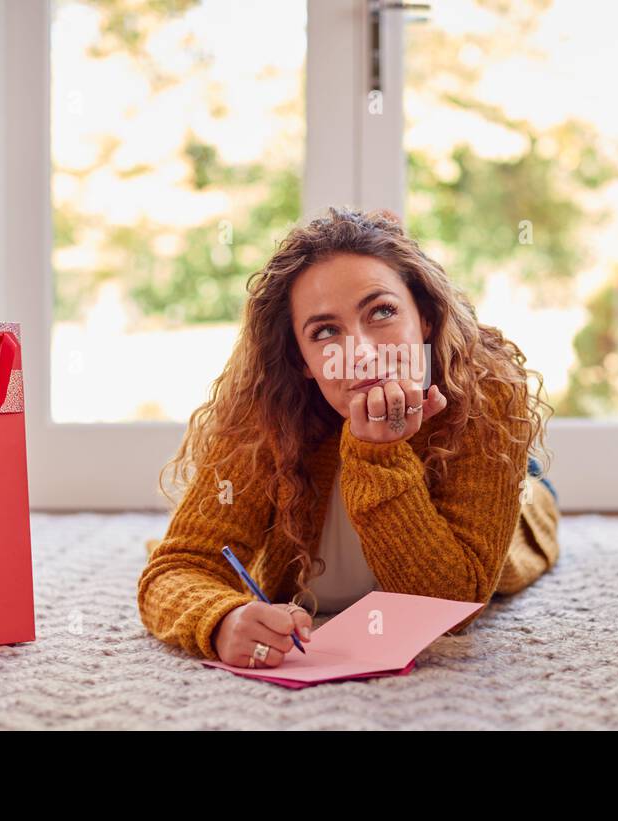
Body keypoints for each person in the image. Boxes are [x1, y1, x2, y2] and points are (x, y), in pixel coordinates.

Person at [138, 206, 559, 668]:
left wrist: (377, 454)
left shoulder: (486, 392)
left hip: (520, 502)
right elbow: (177, 568)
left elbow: (446, 609)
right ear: (300, 358)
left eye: (381, 311)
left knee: (533, 486)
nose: (360, 352)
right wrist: (221, 620)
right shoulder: (265, 412)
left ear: (425, 319)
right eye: (324, 331)